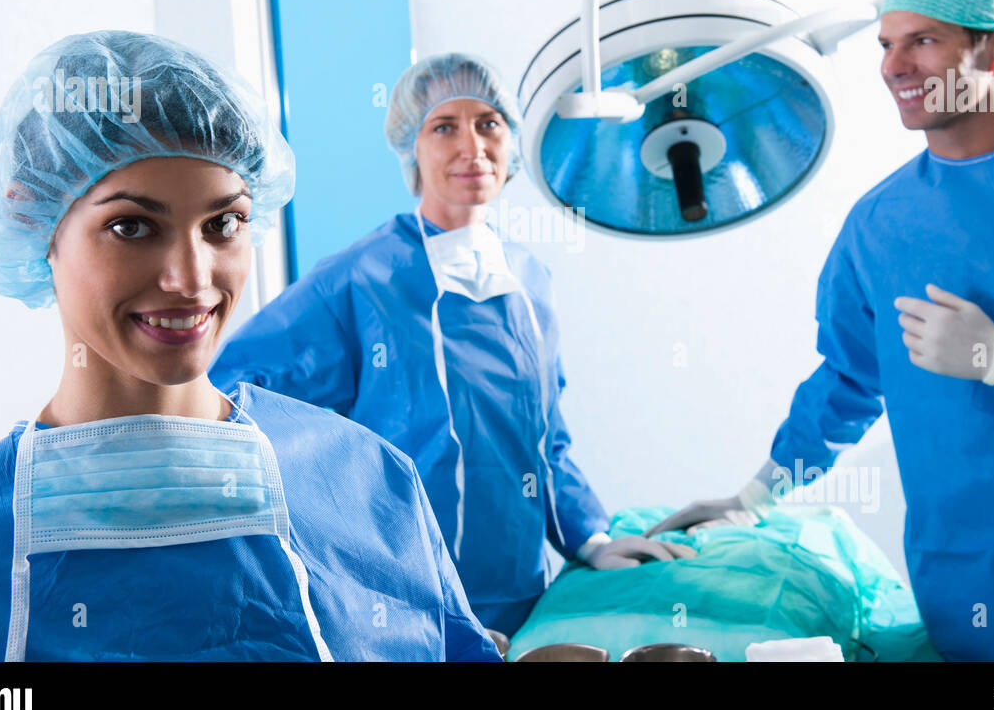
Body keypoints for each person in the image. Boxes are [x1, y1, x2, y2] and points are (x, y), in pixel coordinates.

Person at [0, 31, 500, 661]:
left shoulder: (371, 482)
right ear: (33, 222)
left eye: (223, 223)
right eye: (132, 226)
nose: (192, 279)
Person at [648, 0, 994, 661]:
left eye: (923, 40)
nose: (894, 65)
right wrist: (756, 496)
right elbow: (845, 385)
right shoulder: (880, 223)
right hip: (959, 576)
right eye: (885, 44)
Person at [210, 53, 693, 636]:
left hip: (520, 594)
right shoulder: (361, 278)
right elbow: (234, 398)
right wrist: (333, 541)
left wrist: (590, 538)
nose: (472, 146)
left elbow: (545, 440)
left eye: (489, 123)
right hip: (397, 601)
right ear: (412, 147)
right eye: (444, 127)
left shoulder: (529, 279)